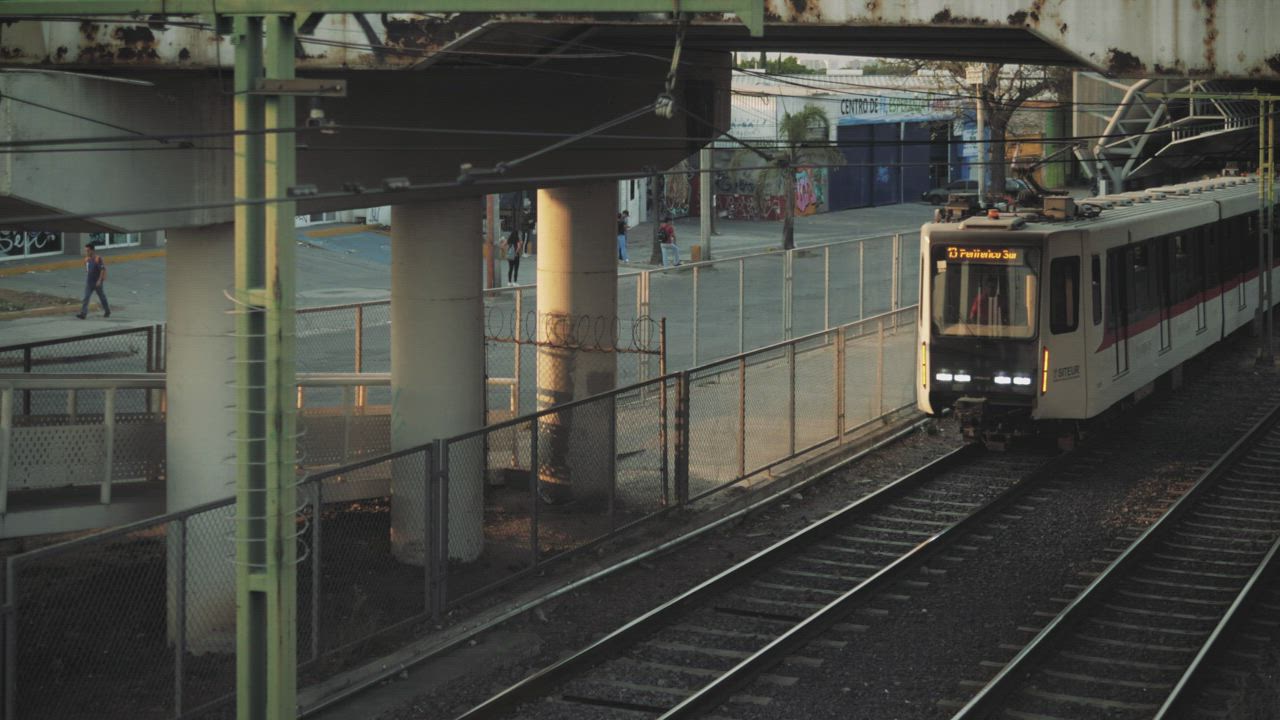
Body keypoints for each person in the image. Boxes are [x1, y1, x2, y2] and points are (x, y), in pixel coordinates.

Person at [76, 243, 110, 319]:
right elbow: (87, 269)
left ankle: (107, 311)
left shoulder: (98, 259)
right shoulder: (87, 259)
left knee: (102, 297)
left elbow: (102, 270)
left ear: (92, 250)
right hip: (89, 282)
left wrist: (99, 280)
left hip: (97, 282)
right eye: (86, 251)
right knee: (86, 297)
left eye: (88, 251)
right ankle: (83, 314)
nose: (86, 252)